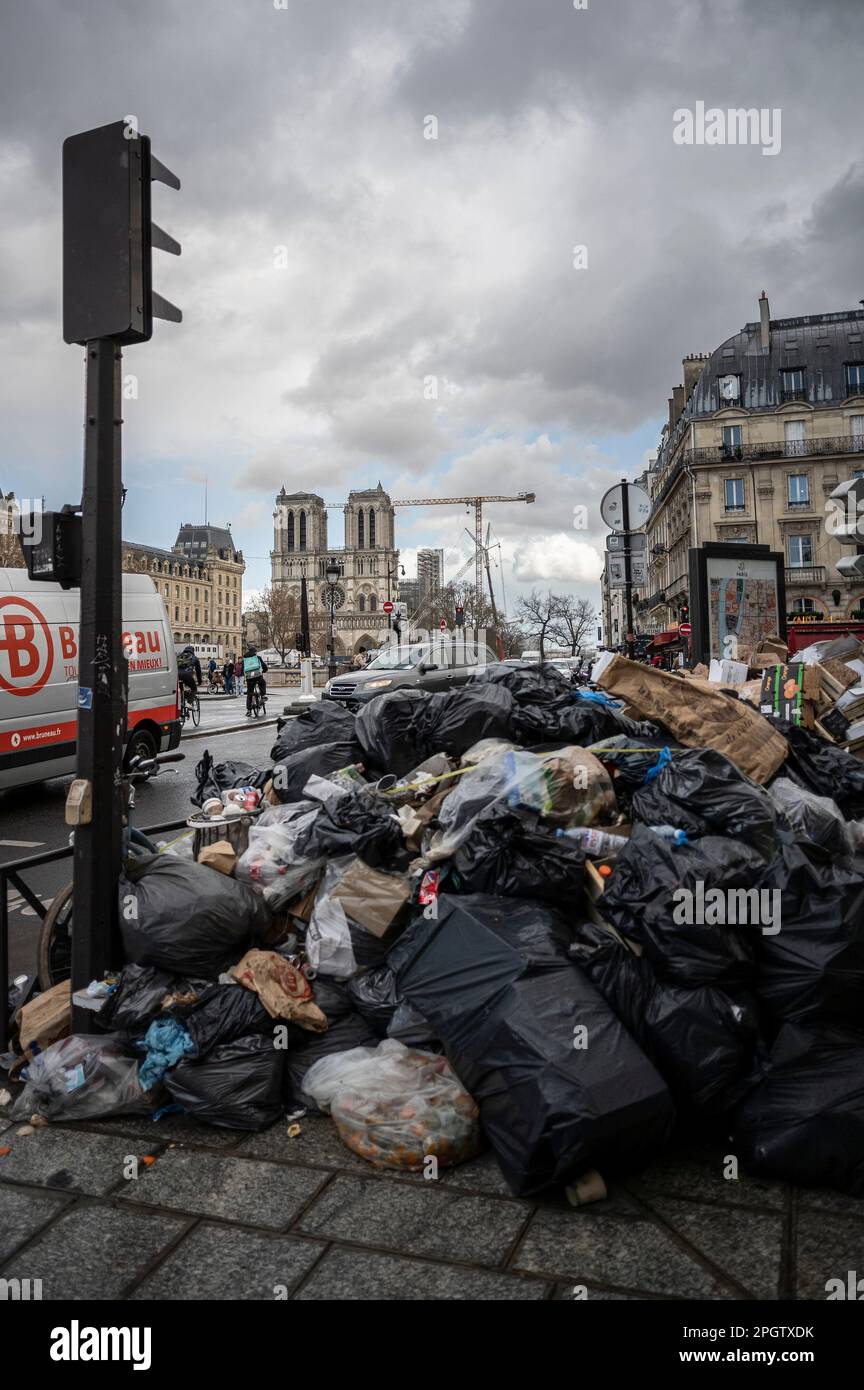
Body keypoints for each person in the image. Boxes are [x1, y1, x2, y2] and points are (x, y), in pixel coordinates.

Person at [243, 645, 268, 715]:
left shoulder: (245, 659)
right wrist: (264, 670)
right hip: (257, 676)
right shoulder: (257, 657)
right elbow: (263, 666)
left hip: (249, 678)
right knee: (262, 683)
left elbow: (243, 668)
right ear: (255, 652)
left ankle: (248, 710)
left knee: (249, 693)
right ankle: (263, 696)